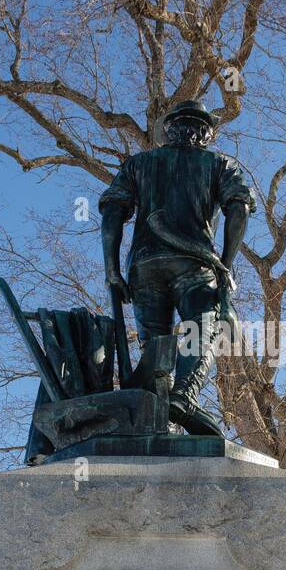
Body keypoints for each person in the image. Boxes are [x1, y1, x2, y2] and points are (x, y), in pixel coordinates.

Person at [99, 99, 255, 434]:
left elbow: (112, 212)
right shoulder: (220, 164)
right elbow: (239, 209)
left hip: (144, 265)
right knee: (202, 329)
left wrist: (112, 270)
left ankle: (158, 418)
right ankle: (183, 395)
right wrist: (225, 265)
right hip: (195, 266)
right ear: (206, 133)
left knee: (153, 346)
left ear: (170, 131)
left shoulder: (138, 164)